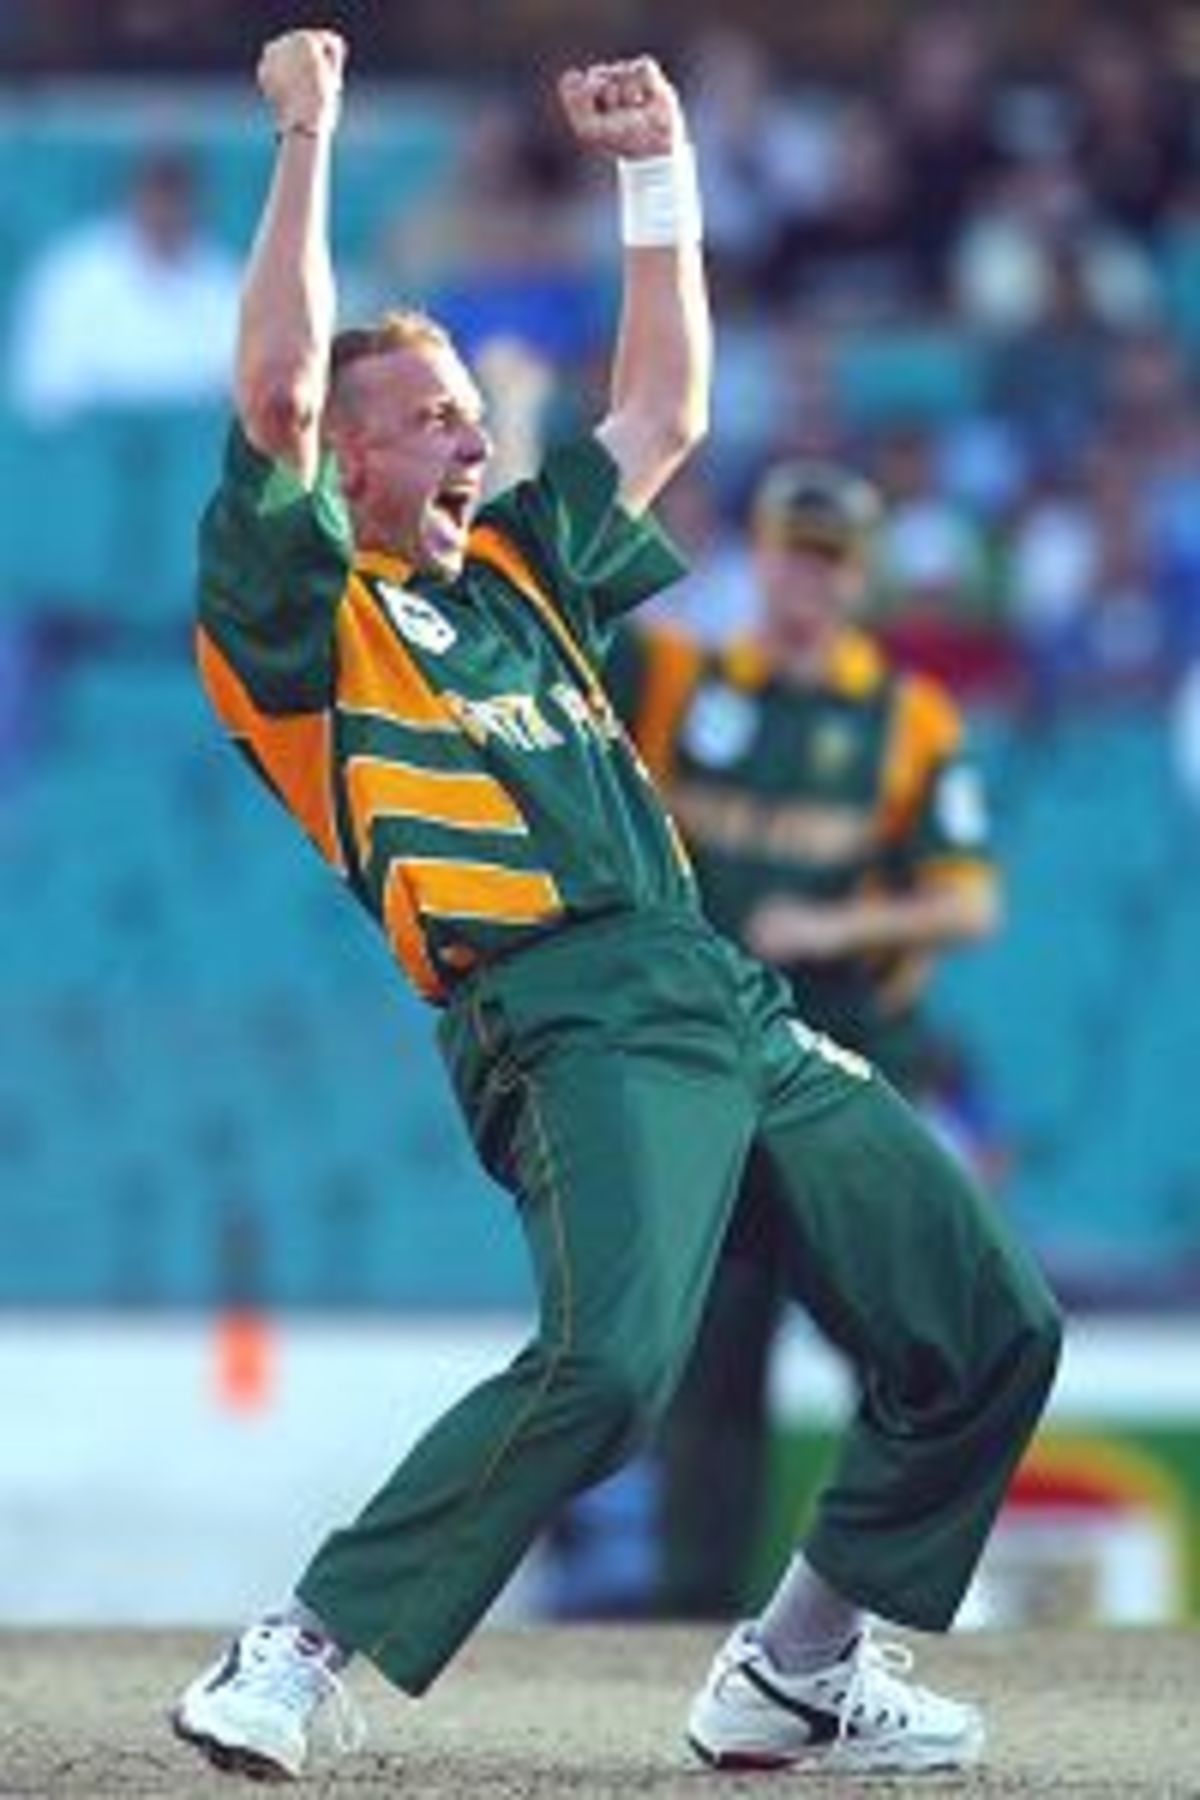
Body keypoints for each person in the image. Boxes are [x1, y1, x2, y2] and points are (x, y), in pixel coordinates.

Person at [171, 29, 1061, 1784]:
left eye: (468, 411)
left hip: (715, 990)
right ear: (344, 465)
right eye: (427, 416)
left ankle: (795, 1669)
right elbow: (273, 389)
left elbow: (665, 415)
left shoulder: (518, 571)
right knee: (611, 1372)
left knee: (991, 1326)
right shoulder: (300, 618)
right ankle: (293, 1649)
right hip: (557, 1007)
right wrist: (306, 138)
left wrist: (663, 179)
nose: (469, 433)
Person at [600, 459, 1002, 1617]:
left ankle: (889, 1586)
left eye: (830, 559)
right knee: (715, 1353)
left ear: (860, 574)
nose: (805, 579)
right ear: (757, 552)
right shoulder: (683, 681)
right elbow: (539, 614)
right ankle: (696, 1611)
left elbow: (968, 901)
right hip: (711, 1076)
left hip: (848, 1070)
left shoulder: (907, 719)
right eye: (790, 550)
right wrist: (521, 427)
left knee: (899, 1328)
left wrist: (834, 919)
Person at [6, 147, 238, 423]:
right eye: (156, 192)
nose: (165, 209)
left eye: (175, 194)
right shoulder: (71, 276)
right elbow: (39, 399)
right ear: (133, 194)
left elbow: (237, 410)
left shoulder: (229, 286)